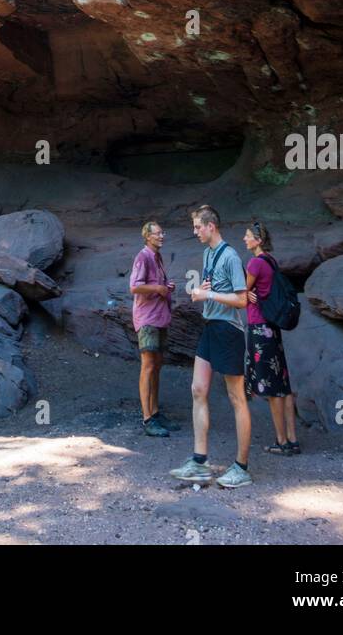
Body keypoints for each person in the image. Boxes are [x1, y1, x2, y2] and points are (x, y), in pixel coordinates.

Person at [170, 205, 252, 488]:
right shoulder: (208, 254)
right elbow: (214, 288)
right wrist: (203, 292)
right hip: (210, 326)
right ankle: (199, 462)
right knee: (198, 389)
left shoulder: (230, 255)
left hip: (229, 330)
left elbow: (242, 300)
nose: (194, 232)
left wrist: (210, 293)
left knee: (236, 397)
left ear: (211, 226)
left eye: (197, 227)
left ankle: (241, 468)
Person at [243, 221, 300, 455]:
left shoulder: (255, 263)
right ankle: (292, 439)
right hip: (272, 327)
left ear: (258, 240)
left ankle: (281, 441)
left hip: (258, 327)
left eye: (247, 236)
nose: (245, 239)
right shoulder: (271, 261)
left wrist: (244, 293)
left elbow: (241, 293)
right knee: (283, 384)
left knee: (271, 387)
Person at [130, 220, 177, 437]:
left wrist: (165, 287)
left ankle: (156, 412)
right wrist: (158, 287)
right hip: (147, 319)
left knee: (157, 365)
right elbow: (135, 286)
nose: (161, 236)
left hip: (159, 318)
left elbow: (155, 286)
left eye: (162, 232)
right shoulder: (144, 256)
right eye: (157, 233)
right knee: (148, 365)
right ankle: (147, 418)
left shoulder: (157, 258)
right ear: (147, 236)